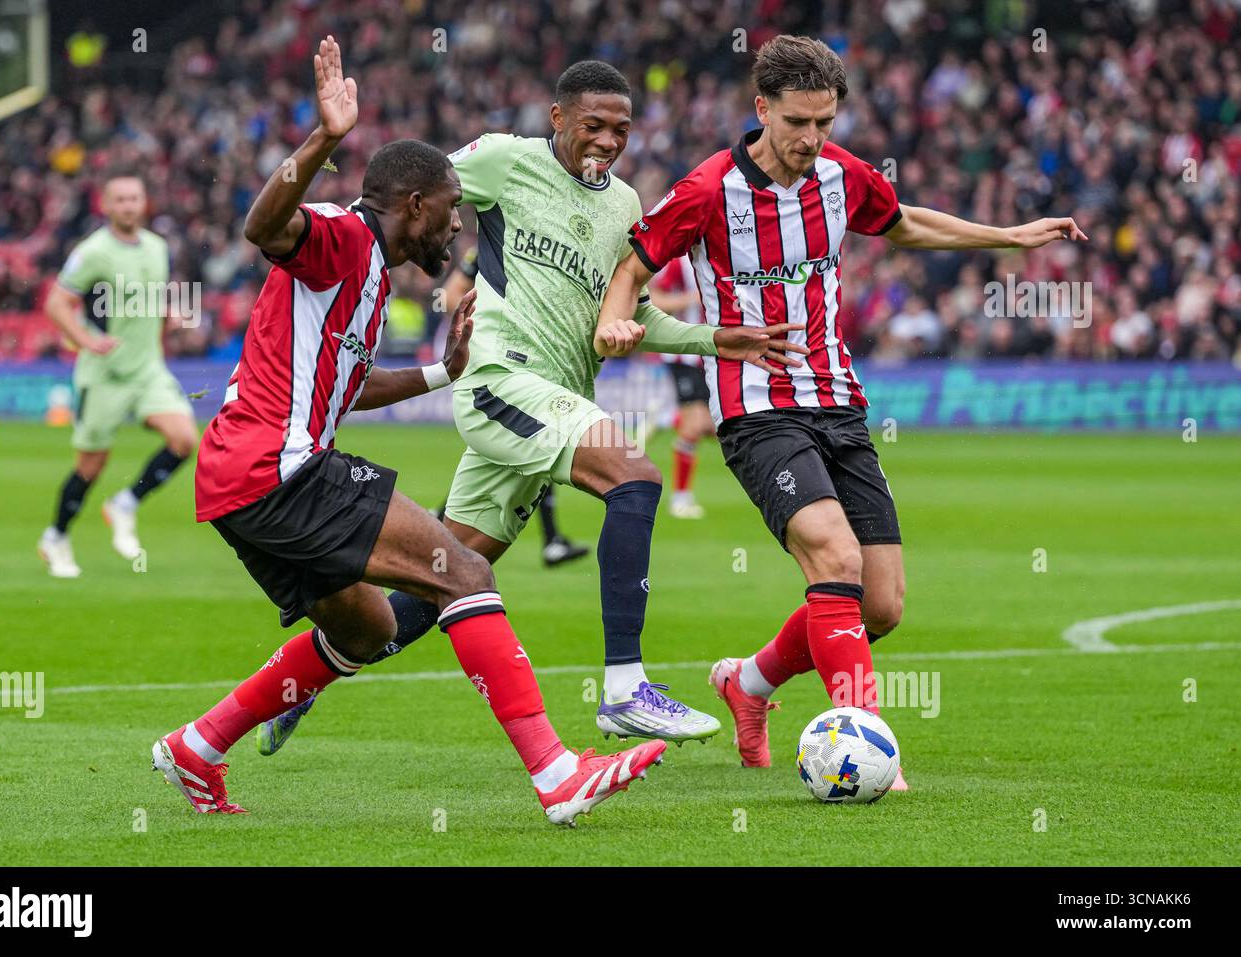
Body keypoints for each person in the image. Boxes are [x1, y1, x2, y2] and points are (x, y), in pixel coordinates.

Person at [152, 37, 666, 826]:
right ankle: (559, 774)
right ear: (415, 204)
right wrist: (325, 137)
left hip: (239, 484)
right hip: (278, 468)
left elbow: (351, 386)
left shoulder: (368, 280)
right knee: (462, 570)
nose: (456, 225)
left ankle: (199, 743)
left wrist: (442, 372)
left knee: (368, 630)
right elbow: (265, 227)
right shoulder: (344, 237)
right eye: (452, 209)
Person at [258, 60, 806, 755]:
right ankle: (625, 686)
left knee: (436, 584)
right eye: (593, 126)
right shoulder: (502, 161)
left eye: (622, 129)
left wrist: (715, 338)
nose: (608, 141)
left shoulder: (626, 206)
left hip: (556, 400)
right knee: (634, 476)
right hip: (501, 381)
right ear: (557, 119)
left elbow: (630, 316)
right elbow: (411, 193)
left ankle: (292, 688)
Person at [598, 34, 1086, 781]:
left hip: (840, 403)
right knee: (835, 556)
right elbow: (636, 261)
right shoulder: (707, 190)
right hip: (757, 406)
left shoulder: (838, 174)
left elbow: (904, 223)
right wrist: (614, 316)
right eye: (797, 122)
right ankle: (866, 744)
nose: (812, 139)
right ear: (761, 109)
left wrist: (1007, 238)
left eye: (825, 122)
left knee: (882, 604)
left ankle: (749, 680)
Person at [37, 169, 199, 577]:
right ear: (106, 206)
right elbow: (57, 304)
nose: (128, 205)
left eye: (135, 198)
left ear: (144, 203)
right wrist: (86, 341)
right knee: (92, 465)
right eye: (120, 199)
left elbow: (151, 297)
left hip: (147, 370)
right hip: (104, 374)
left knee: (183, 439)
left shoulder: (158, 247)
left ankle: (125, 503)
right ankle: (55, 537)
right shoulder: (93, 251)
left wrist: (169, 316)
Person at [440, 247, 591, 568]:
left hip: (540, 368)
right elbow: (453, 293)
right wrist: (494, 325)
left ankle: (441, 529)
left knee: (536, 449)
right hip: (497, 369)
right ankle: (440, 527)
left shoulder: (552, 246)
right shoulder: (495, 239)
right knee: (537, 447)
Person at [649, 255, 714, 519]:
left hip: (711, 357)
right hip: (684, 355)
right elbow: (655, 299)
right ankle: (680, 498)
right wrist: (690, 299)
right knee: (694, 426)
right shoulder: (680, 264)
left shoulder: (725, 255)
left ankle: (668, 418)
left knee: (715, 428)